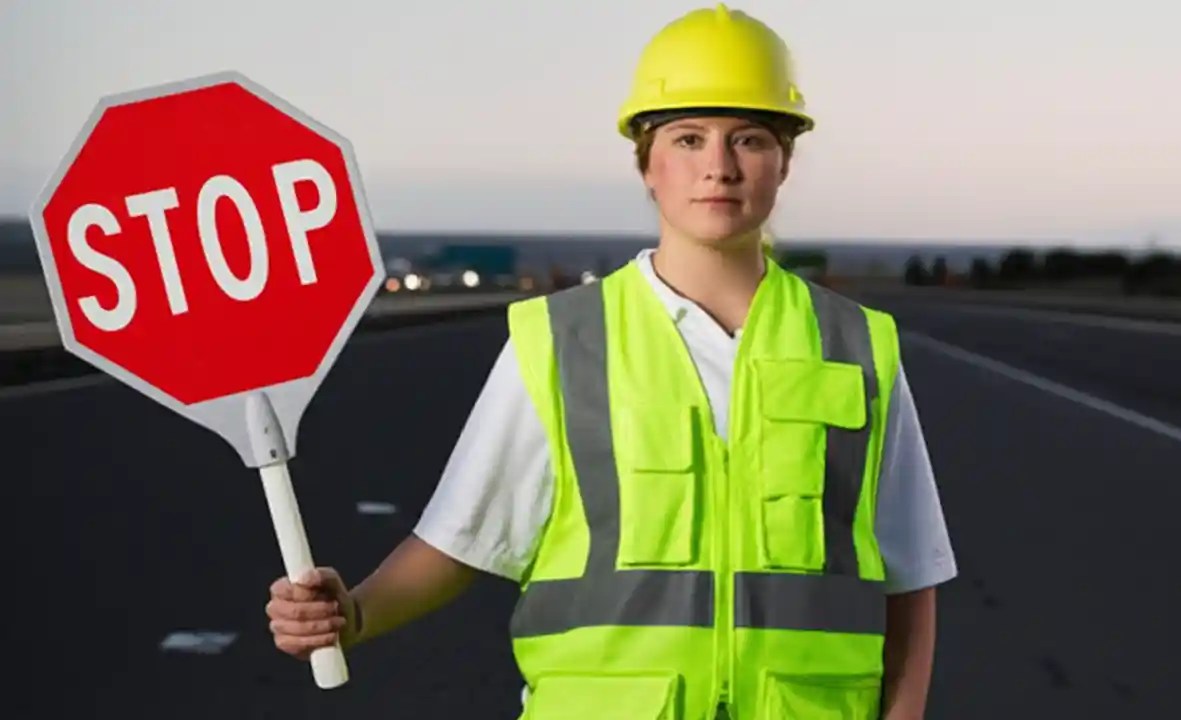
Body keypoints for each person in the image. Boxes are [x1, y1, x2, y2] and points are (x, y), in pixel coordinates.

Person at [265, 4, 957, 718]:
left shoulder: (856, 346)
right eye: (688, 139)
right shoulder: (562, 341)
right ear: (646, 163)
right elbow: (461, 540)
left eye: (748, 139)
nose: (717, 168)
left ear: (784, 162)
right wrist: (351, 614)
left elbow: (911, 577)